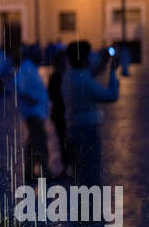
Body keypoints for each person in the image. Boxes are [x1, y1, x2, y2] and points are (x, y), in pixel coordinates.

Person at [62, 39, 119, 188]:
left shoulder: (69, 76)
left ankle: (81, 208)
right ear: (85, 58)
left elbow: (89, 72)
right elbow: (111, 95)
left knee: (80, 175)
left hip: (73, 130)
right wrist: (112, 71)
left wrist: (104, 61)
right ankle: (91, 209)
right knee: (91, 175)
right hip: (87, 132)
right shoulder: (84, 83)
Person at [15, 44, 50, 180]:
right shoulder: (27, 67)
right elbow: (19, 86)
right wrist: (31, 99)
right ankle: (44, 170)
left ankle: (30, 171)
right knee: (40, 141)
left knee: (33, 142)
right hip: (33, 112)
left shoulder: (30, 67)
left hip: (36, 111)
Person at [47, 48, 70, 174]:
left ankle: (69, 166)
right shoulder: (57, 76)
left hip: (64, 112)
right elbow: (51, 94)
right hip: (60, 113)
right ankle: (66, 167)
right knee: (63, 141)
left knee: (66, 141)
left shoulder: (65, 75)